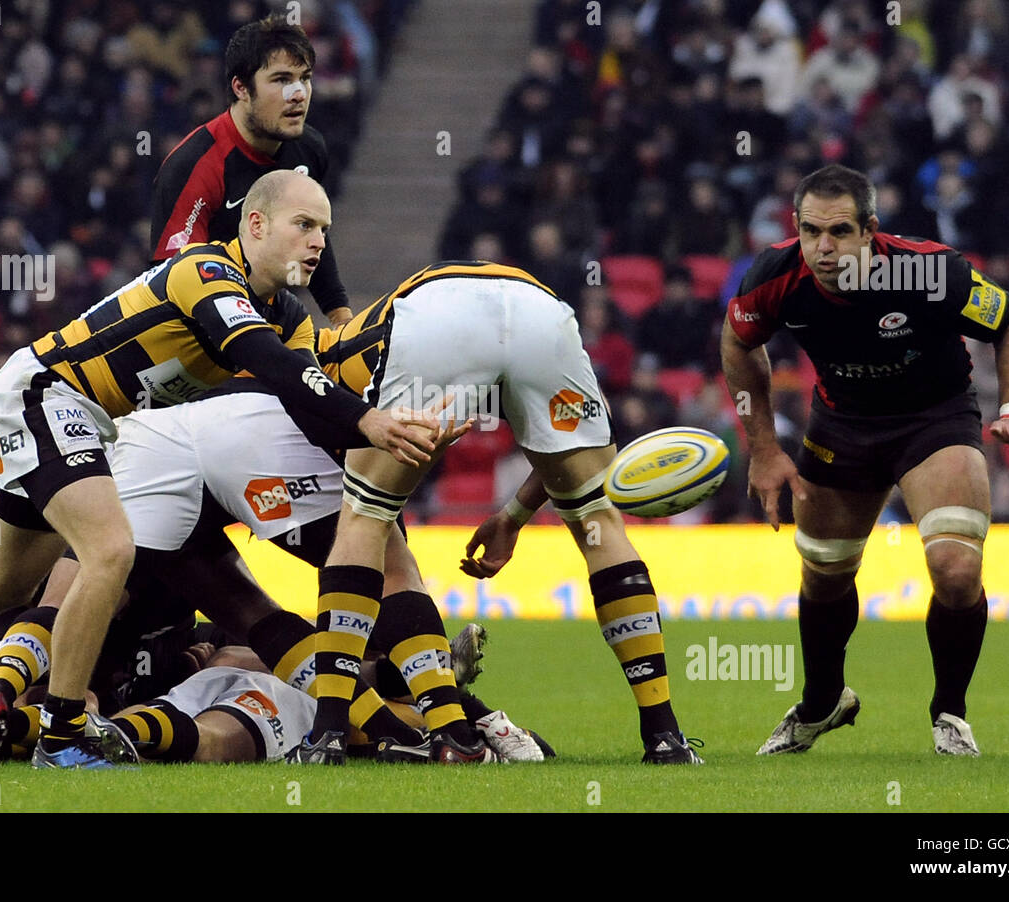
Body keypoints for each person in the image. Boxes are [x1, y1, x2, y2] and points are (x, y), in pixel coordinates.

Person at [0, 171, 443, 768]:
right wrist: (368, 423)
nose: (318, 243)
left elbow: (309, 394)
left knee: (3, 585)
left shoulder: (286, 317)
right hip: (44, 396)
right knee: (111, 552)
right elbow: (266, 362)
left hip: (86, 422)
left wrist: (396, 425)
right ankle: (63, 734)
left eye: (326, 230)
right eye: (304, 224)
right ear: (255, 224)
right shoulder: (206, 272)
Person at [292, 260, 703, 765]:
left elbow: (347, 445)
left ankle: (327, 736)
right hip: (541, 312)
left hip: (437, 316)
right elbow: (558, 458)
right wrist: (513, 515)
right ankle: (665, 737)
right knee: (596, 516)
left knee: (365, 517)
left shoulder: (322, 356)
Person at [719, 164, 1009, 757]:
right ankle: (823, 703)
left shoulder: (928, 271)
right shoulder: (774, 276)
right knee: (823, 573)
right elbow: (738, 343)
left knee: (955, 570)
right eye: (810, 230)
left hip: (935, 418)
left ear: (870, 230)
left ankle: (950, 713)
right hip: (841, 424)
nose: (824, 248)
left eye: (840, 231)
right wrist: (766, 449)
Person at [151, 15, 353, 326]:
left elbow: (312, 237)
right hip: (195, 336)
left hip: (262, 320)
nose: (298, 93)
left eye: (305, 78)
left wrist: (341, 316)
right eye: (282, 80)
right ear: (241, 88)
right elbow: (176, 289)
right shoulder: (192, 167)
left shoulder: (310, 148)